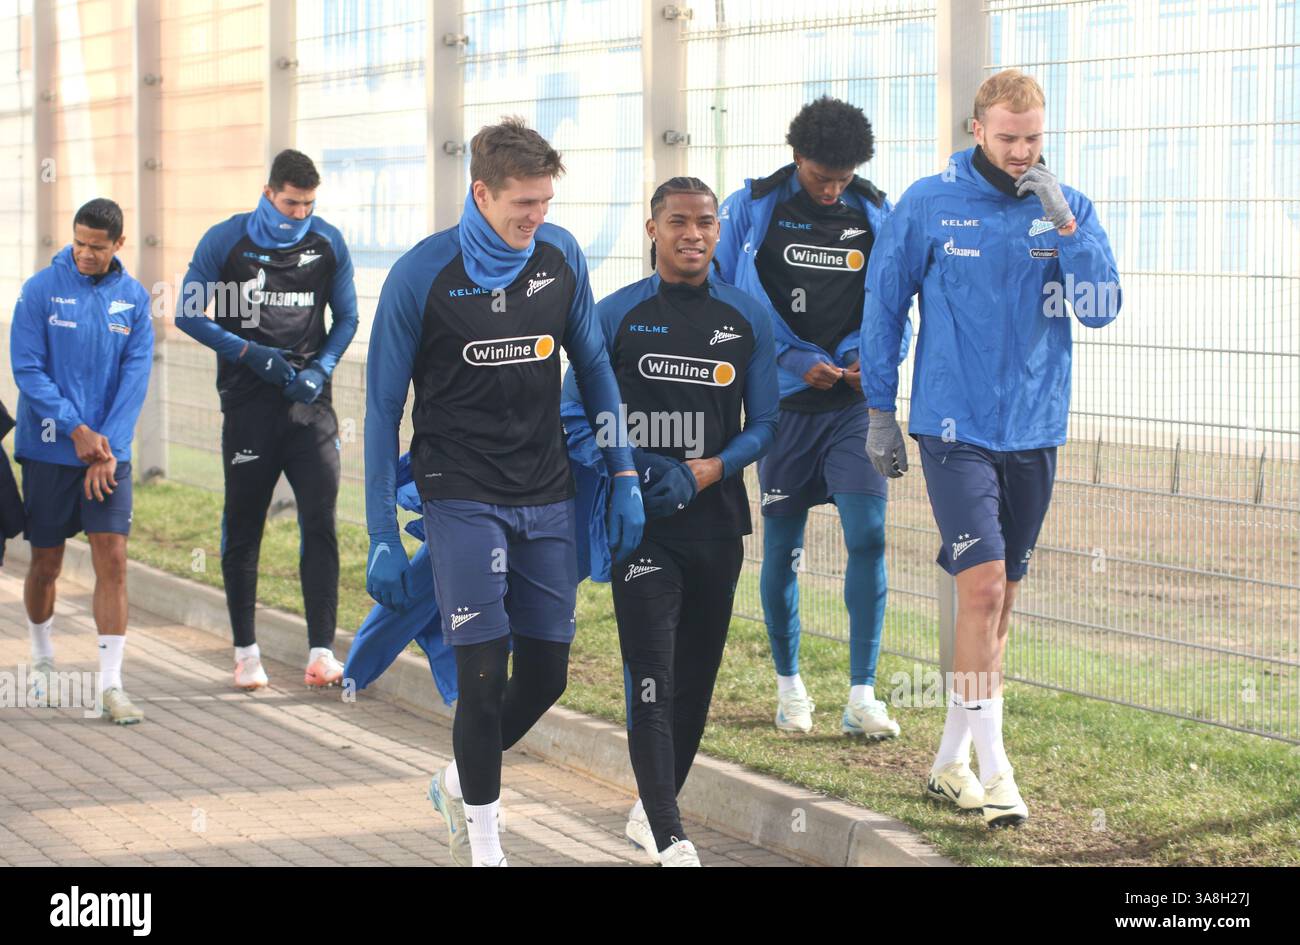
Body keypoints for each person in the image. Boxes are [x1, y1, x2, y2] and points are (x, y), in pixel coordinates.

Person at [364, 117, 644, 867]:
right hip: (459, 494)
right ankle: (487, 844)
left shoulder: (559, 257)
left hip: (546, 491)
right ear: (481, 192)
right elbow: (380, 411)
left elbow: (595, 371)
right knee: (483, 673)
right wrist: (382, 534)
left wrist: (621, 476)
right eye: (522, 203)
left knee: (546, 676)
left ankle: (459, 781)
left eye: (546, 201)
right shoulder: (421, 276)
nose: (536, 217)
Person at [861, 69, 1121, 827]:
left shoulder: (1065, 207)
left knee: (1001, 601)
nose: (1021, 151)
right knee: (979, 588)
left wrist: (1067, 224)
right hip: (953, 428)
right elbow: (885, 305)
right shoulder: (928, 203)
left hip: (1036, 430)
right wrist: (881, 407)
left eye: (1034, 137)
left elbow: (1100, 310)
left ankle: (948, 762)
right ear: (978, 129)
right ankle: (999, 774)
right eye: (1007, 137)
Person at [561, 177, 778, 866]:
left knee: (693, 679)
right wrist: (639, 468)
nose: (694, 234)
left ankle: (648, 814)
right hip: (643, 529)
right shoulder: (615, 313)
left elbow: (767, 423)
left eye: (706, 222)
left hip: (718, 526)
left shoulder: (747, 317)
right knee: (650, 673)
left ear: (720, 230)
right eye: (678, 221)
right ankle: (669, 832)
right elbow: (574, 416)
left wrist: (711, 468)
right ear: (651, 227)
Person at [715, 96, 907, 738]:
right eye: (822, 176)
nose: (832, 189)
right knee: (784, 548)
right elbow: (726, 296)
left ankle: (862, 695)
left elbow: (896, 294)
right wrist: (794, 359)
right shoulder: (753, 207)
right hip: (785, 406)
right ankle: (790, 686)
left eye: (844, 178)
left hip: (854, 404)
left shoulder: (875, 209)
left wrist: (860, 357)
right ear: (798, 158)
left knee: (869, 536)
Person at [175, 149, 358, 690]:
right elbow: (187, 311)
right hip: (250, 408)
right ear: (268, 192)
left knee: (320, 522)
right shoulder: (226, 241)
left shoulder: (326, 242)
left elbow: (347, 316)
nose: (299, 214)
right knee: (245, 526)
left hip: (310, 408)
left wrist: (322, 367)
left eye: (307, 204)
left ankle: (321, 651)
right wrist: (249, 354)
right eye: (290, 203)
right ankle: (246, 652)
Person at [10, 198, 154, 724]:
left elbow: (134, 380)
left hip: (108, 457)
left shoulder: (135, 301)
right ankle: (43, 660)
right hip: (51, 449)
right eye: (79, 242)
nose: (86, 253)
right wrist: (77, 429)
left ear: (118, 245)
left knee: (113, 558)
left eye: (97, 245)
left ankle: (111, 687)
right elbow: (27, 369)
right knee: (45, 563)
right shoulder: (39, 291)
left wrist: (105, 446)